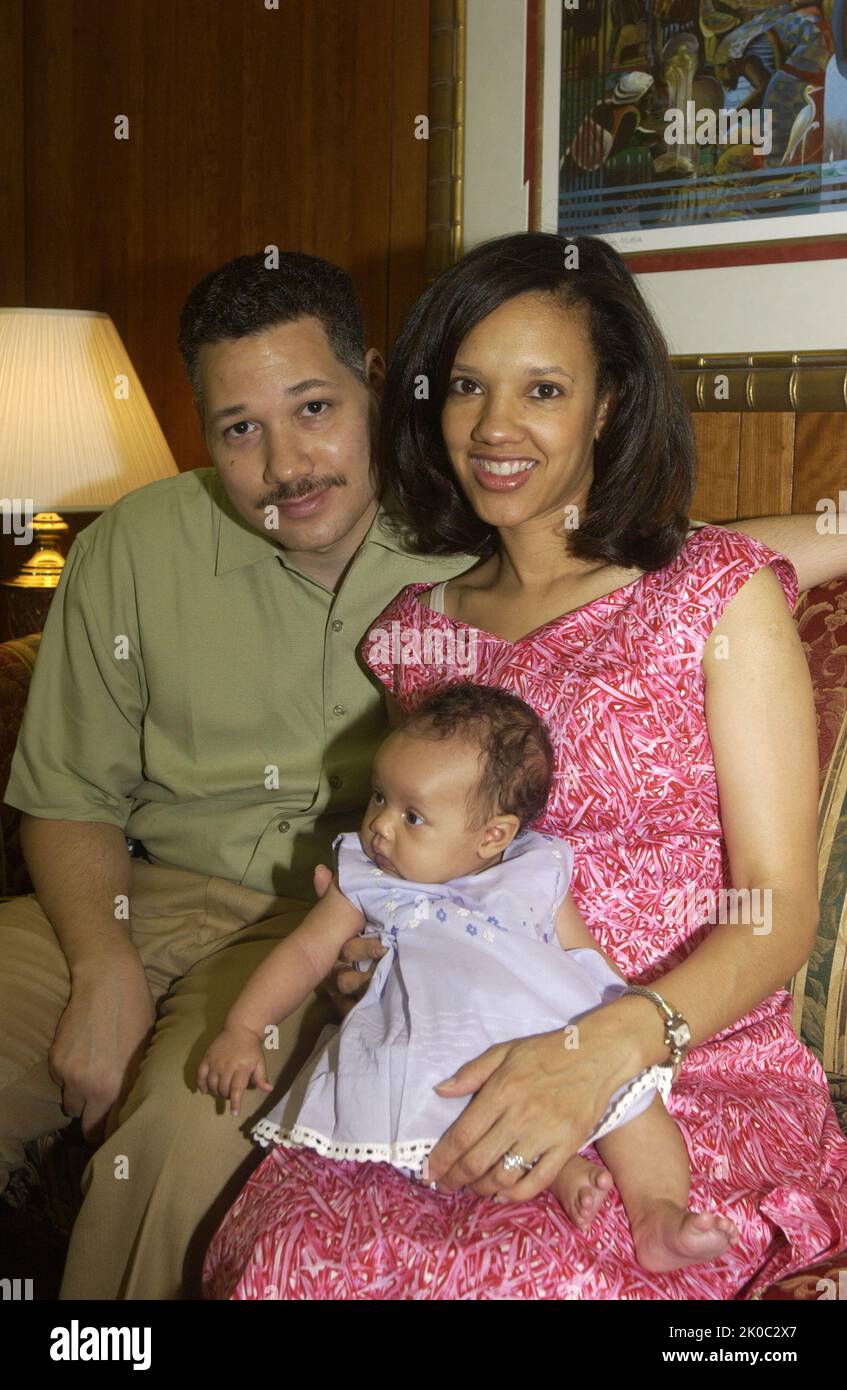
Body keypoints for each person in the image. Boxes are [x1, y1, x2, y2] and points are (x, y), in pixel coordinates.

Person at [0, 248, 844, 1300]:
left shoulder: (716, 598)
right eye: (467, 386)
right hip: (451, 1046)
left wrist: (608, 1046)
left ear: (608, 404)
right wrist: (370, 949)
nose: (495, 425)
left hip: (678, 1060)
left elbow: (777, 907)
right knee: (295, 1260)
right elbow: (423, 859)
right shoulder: (420, 635)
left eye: (543, 388)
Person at [200, 683, 744, 1298]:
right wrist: (244, 1027)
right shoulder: (366, 879)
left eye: (412, 816)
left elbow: (582, 954)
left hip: (556, 1038)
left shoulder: (537, 870)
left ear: (492, 836)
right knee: (458, 1107)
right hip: (441, 1041)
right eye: (379, 796)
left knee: (637, 1109)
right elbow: (305, 952)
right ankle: (559, 1171)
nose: (379, 825)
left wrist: (624, 1022)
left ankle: (658, 1215)